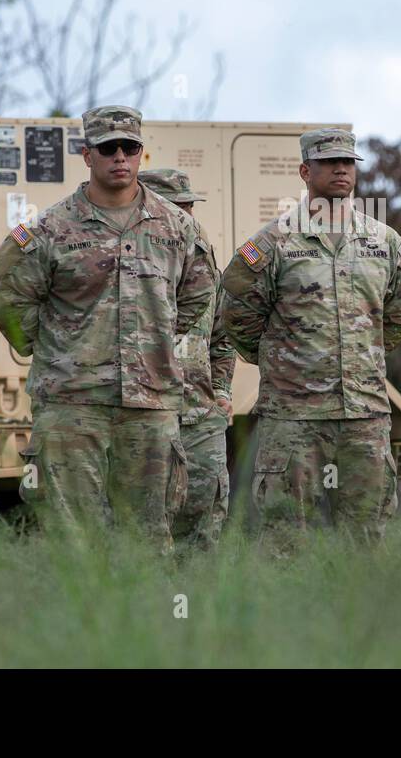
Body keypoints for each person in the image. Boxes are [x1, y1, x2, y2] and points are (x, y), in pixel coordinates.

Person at [0, 106, 215, 550]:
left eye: (128, 148)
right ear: (86, 154)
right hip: (72, 405)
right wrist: (54, 345)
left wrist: (156, 342)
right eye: (107, 148)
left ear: (140, 154)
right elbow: (7, 295)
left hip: (150, 406)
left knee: (149, 535)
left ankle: (147, 619)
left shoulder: (178, 226)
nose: (119, 157)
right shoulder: (50, 228)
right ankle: (80, 619)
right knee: (73, 537)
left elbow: (198, 293)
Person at [221, 128, 401, 551]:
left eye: (347, 162)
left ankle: (357, 615)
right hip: (293, 417)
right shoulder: (274, 242)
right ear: (304, 171)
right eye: (329, 162)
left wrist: (358, 355)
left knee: (365, 537)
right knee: (284, 536)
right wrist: (283, 360)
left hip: (363, 416)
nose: (340, 170)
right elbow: (237, 312)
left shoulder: (384, 242)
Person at [141, 167, 235, 550]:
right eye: (177, 208)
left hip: (199, 414)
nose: (186, 217)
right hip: (143, 413)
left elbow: (222, 333)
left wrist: (222, 390)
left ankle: (196, 604)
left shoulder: (202, 258)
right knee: (143, 526)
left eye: (189, 208)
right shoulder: (131, 264)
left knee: (203, 520)